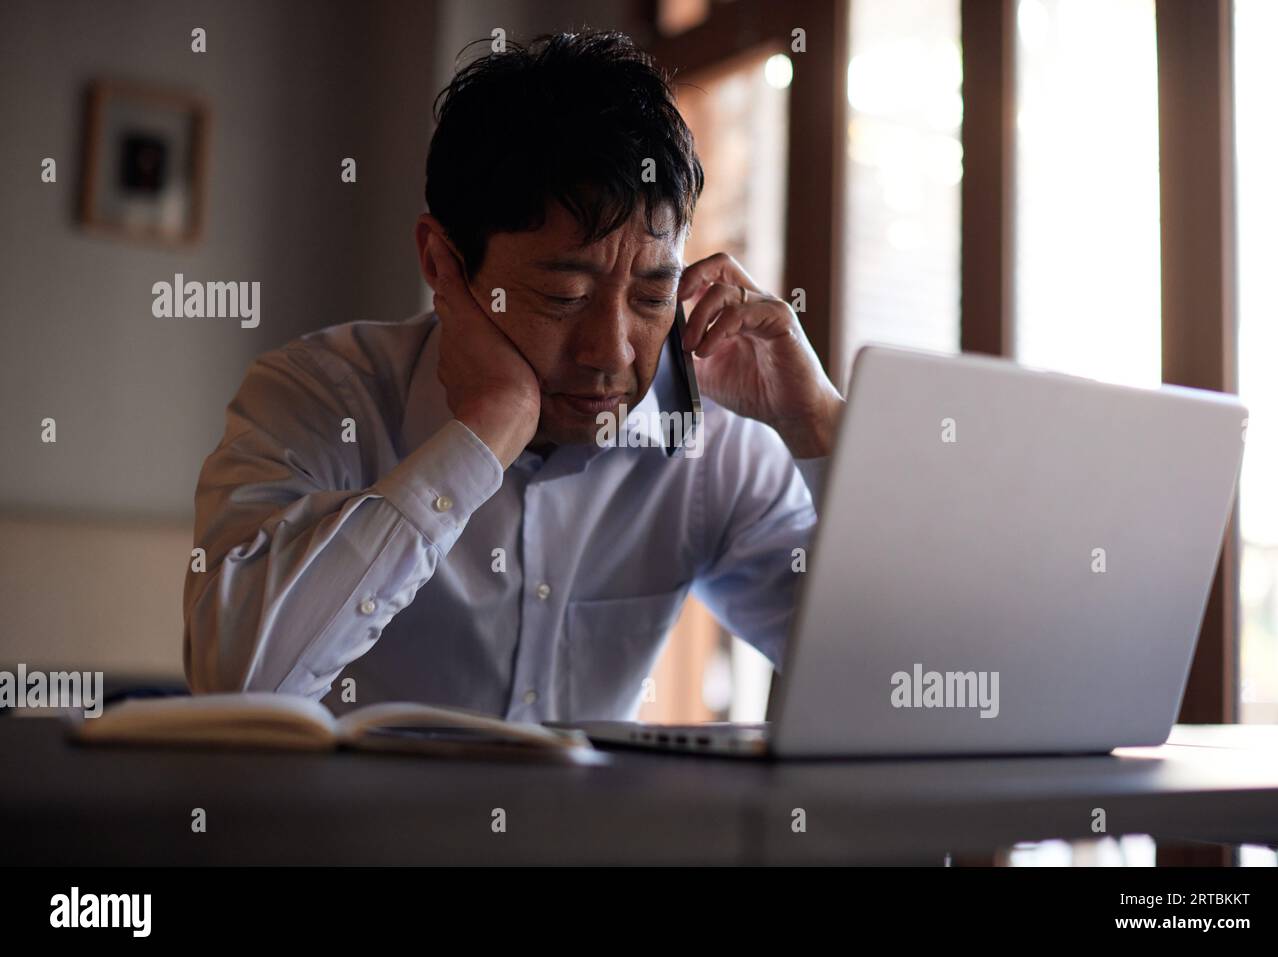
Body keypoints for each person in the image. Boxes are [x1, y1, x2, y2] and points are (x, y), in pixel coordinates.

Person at [183, 30, 844, 722]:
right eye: (563, 297)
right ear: (442, 264)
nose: (611, 353)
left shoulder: (712, 447)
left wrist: (823, 428)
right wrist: (482, 433)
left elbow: (909, 685)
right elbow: (237, 687)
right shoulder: (320, 398)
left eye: (653, 297)